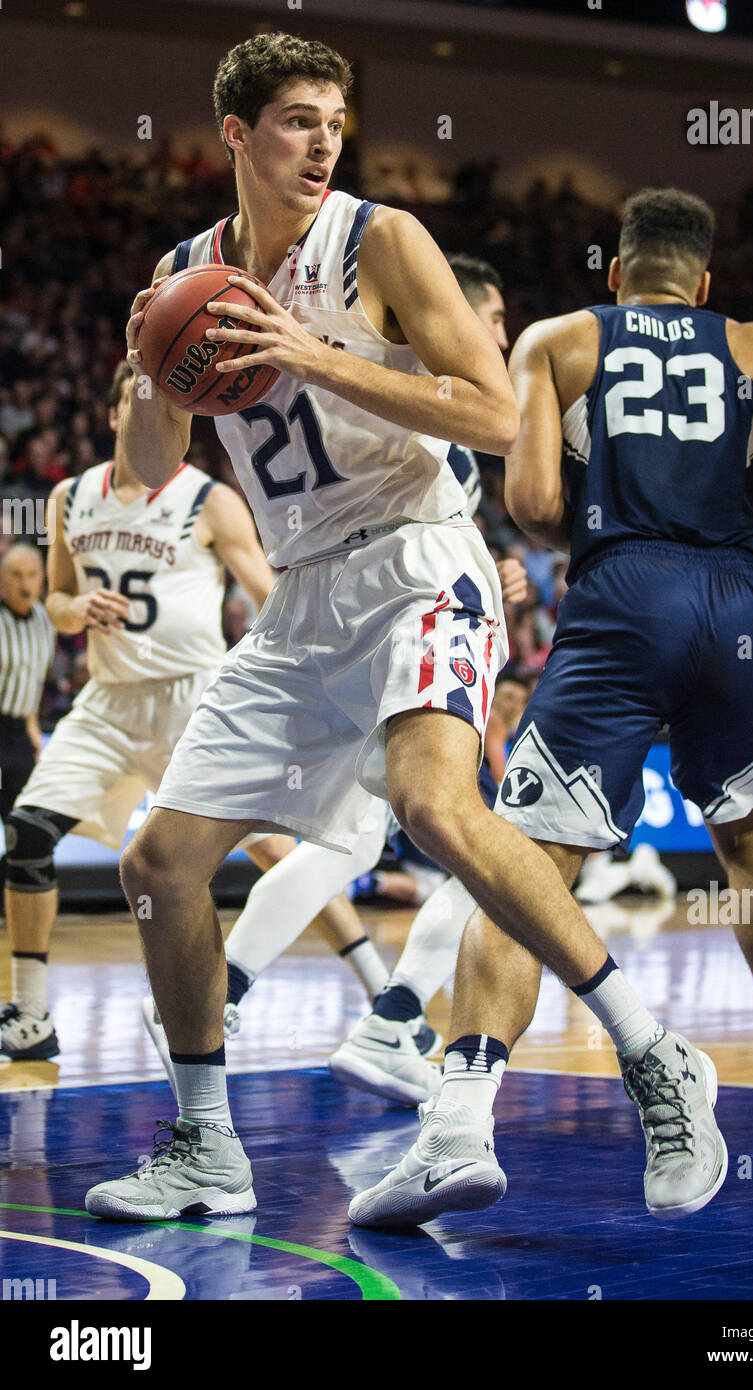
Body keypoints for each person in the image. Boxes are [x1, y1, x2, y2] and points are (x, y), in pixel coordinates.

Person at [86, 34, 722, 1224]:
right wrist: (150, 370)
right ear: (233, 133)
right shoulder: (189, 268)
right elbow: (156, 464)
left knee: (435, 805)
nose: (323, 139)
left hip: (419, 560)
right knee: (158, 865)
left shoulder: (379, 239)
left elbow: (493, 412)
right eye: (294, 120)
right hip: (299, 595)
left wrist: (312, 353)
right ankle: (209, 1152)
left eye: (334, 118)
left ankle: (653, 1052)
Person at [349, 187, 753, 1228]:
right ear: (703, 283)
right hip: (738, 604)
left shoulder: (559, 337)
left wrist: (600, 487)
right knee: (751, 838)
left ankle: (457, 1122)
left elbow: (533, 506)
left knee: (528, 857)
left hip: (625, 599)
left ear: (615, 272)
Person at [139, 252, 525, 1088]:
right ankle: (391, 1020)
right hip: (382, 612)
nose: (494, 338)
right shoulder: (422, 394)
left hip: (337, 607)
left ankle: (233, 986)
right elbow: (433, 507)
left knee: (350, 839)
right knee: (474, 831)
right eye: (490, 321)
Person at [0, 362, 276, 1061]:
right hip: (109, 703)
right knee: (29, 834)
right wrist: (76, 607)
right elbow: (58, 605)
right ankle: (29, 1016)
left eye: (166, 406)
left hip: (195, 700)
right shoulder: (69, 497)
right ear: (117, 414)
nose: (150, 417)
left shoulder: (211, 500)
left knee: (275, 851)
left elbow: (268, 595)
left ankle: (378, 987)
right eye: (138, 403)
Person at [0, 544, 55, 893]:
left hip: (20, 734)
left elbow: (34, 679)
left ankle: (11, 898)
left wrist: (34, 729)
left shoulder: (46, 621)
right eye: (16, 575)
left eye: (32, 574)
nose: (25, 583)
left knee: (20, 823)